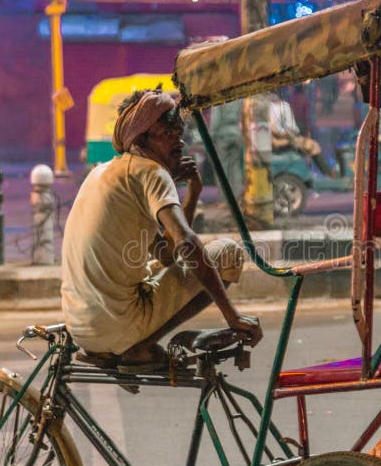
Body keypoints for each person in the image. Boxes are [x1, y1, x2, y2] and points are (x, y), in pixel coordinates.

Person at [61, 89, 261, 371]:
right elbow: (187, 243)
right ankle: (140, 346)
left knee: (162, 265)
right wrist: (233, 316)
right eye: (167, 133)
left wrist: (191, 192)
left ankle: (135, 343)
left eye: (178, 133)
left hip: (83, 328)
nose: (177, 141)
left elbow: (168, 255)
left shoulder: (103, 171)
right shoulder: (150, 172)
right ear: (141, 139)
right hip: (118, 324)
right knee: (228, 252)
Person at [269, 92, 336, 178]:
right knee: (313, 146)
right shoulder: (271, 108)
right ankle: (329, 173)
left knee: (313, 145)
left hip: (285, 139)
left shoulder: (280, 106)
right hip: (281, 142)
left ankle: (327, 172)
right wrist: (287, 135)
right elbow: (275, 131)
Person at [209, 100, 244, 195]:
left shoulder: (219, 99)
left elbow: (215, 120)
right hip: (237, 133)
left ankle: (224, 199)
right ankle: (237, 196)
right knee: (235, 167)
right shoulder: (238, 98)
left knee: (222, 168)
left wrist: (211, 136)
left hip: (223, 135)